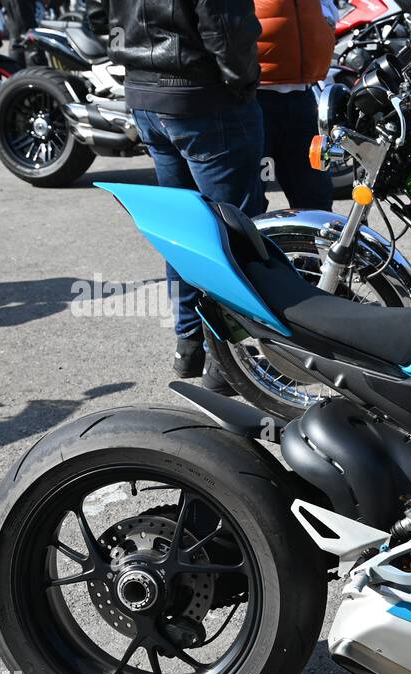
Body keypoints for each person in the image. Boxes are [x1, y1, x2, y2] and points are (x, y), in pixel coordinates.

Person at [91, 0, 266, 389]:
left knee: (185, 228)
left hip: (147, 93)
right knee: (231, 231)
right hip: (202, 96)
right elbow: (226, 24)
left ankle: (190, 345)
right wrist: (243, 82)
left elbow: (99, 16)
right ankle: (227, 361)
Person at [255, 0, 337, 211]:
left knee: (315, 198)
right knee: (249, 202)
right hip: (251, 99)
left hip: (302, 96)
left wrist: (324, 25)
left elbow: (327, 11)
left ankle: (308, 244)